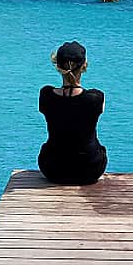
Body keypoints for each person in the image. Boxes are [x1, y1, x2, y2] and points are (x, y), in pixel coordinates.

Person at [37, 41, 108, 185]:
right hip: (89, 168)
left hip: (53, 168)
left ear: (58, 66)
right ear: (84, 66)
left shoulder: (46, 95)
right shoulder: (95, 98)